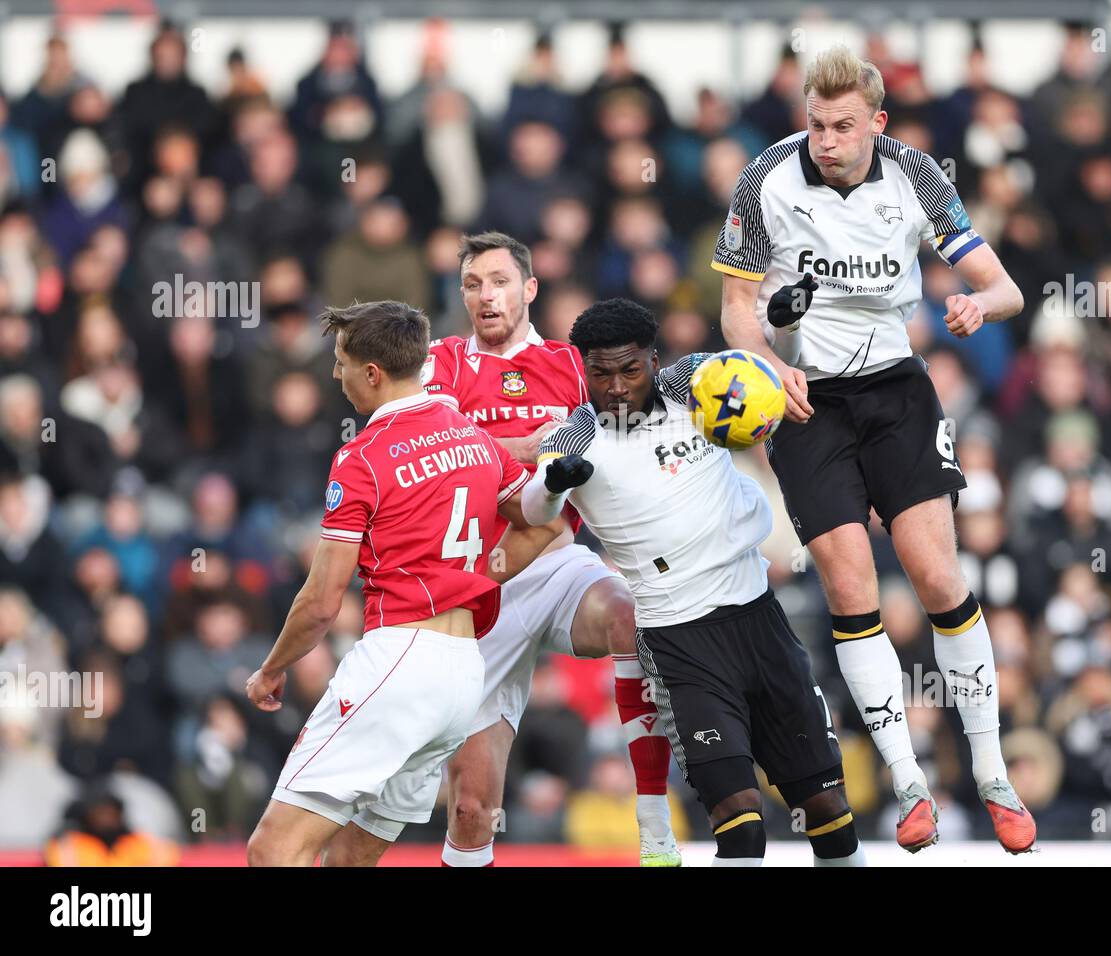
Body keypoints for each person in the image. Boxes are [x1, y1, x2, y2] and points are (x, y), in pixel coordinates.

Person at [712, 45, 1035, 853]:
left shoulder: (916, 174)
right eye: (816, 123)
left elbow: (1006, 287)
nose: (825, 139)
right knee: (850, 588)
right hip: (806, 402)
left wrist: (976, 307)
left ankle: (993, 774)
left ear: (876, 124)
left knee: (935, 575)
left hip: (896, 391)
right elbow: (735, 307)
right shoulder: (766, 178)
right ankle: (908, 783)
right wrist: (766, 363)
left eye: (843, 125)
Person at [522, 299, 864, 868]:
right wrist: (555, 485)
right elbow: (535, 510)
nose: (615, 388)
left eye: (630, 371)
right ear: (583, 370)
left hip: (758, 616)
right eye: (600, 373)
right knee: (739, 818)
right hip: (679, 641)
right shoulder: (573, 437)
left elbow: (777, 383)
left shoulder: (696, 385)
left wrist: (787, 329)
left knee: (826, 809)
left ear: (654, 361)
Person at [244, 300, 555, 866]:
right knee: (348, 860)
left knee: (273, 851)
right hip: (463, 677)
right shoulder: (473, 437)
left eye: (340, 363)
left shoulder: (362, 457)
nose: (334, 375)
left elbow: (320, 603)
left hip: (399, 661)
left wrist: (272, 668)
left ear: (372, 373)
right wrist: (475, 577)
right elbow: (542, 521)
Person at [429, 232, 678, 866]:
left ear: (529, 289)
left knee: (631, 617)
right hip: (474, 595)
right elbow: (436, 457)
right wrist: (538, 445)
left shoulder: (574, 365)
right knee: (472, 808)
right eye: (473, 284)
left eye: (500, 281)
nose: (487, 296)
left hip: (557, 565)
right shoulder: (443, 363)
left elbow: (629, 438)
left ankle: (654, 817)